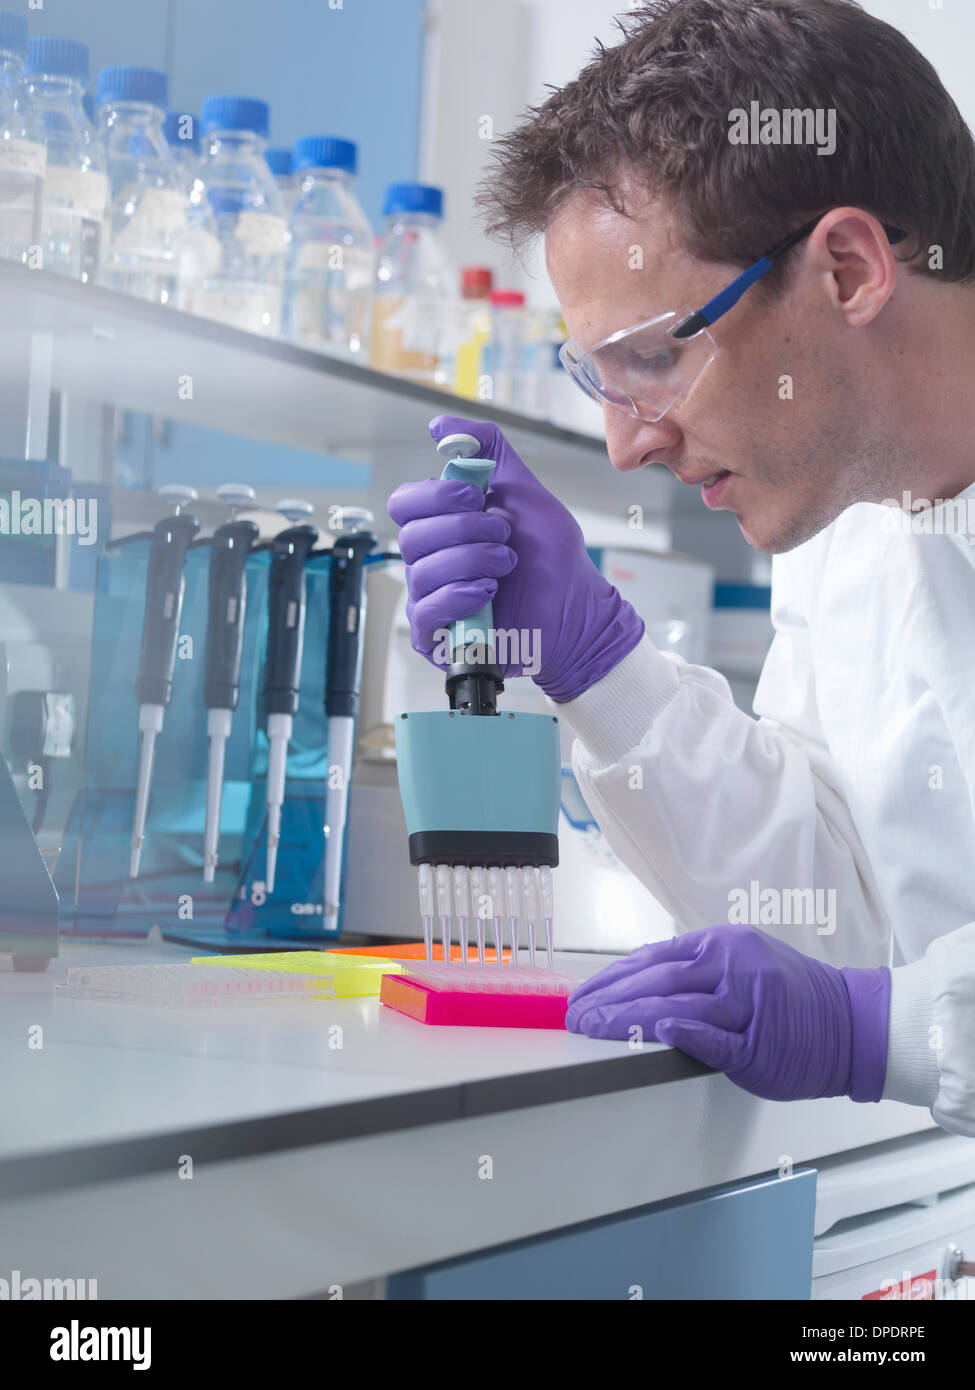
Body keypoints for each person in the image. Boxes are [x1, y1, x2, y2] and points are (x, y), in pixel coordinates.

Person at [387, 0, 975, 1136]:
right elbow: (835, 916)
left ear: (850, 269)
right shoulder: (843, 511)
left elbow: (871, 1000)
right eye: (599, 375)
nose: (628, 440)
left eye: (654, 356)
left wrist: (880, 1031)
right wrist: (599, 664)